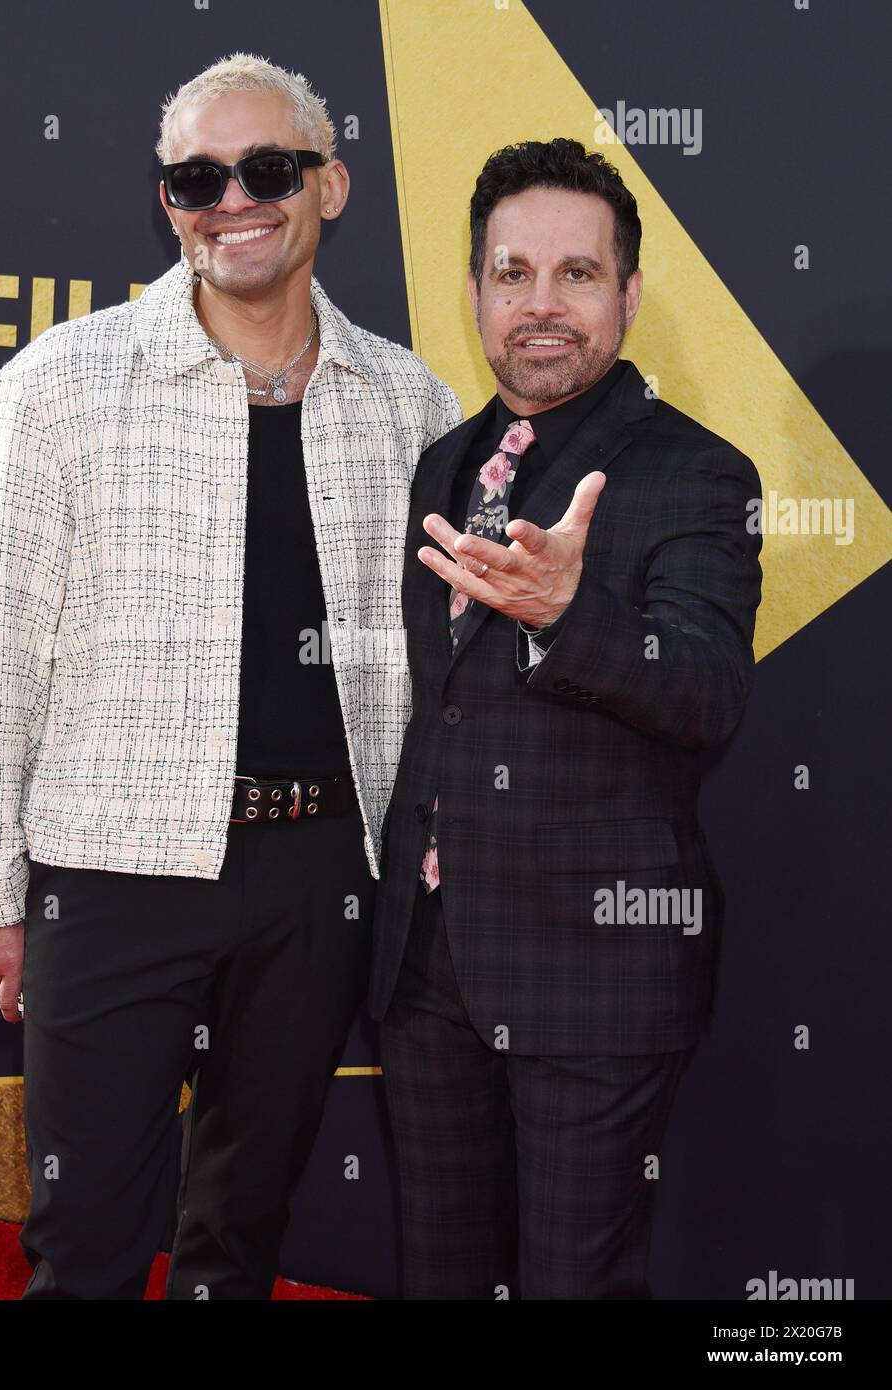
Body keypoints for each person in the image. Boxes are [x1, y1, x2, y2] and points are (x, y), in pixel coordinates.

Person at [0, 52, 461, 1300]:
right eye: (195, 178)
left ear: (329, 185)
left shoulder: (411, 405)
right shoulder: (61, 385)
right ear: (167, 201)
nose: (233, 199)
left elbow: (446, 672)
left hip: (321, 875)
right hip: (106, 878)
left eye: (267, 169)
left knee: (239, 1244)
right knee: (86, 1249)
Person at [370, 137, 763, 1299]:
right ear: (477, 291)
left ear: (628, 295)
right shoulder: (443, 463)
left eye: (576, 275)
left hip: (593, 974)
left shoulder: (699, 474)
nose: (539, 304)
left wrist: (564, 616)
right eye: (511, 273)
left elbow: (705, 690)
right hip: (425, 972)